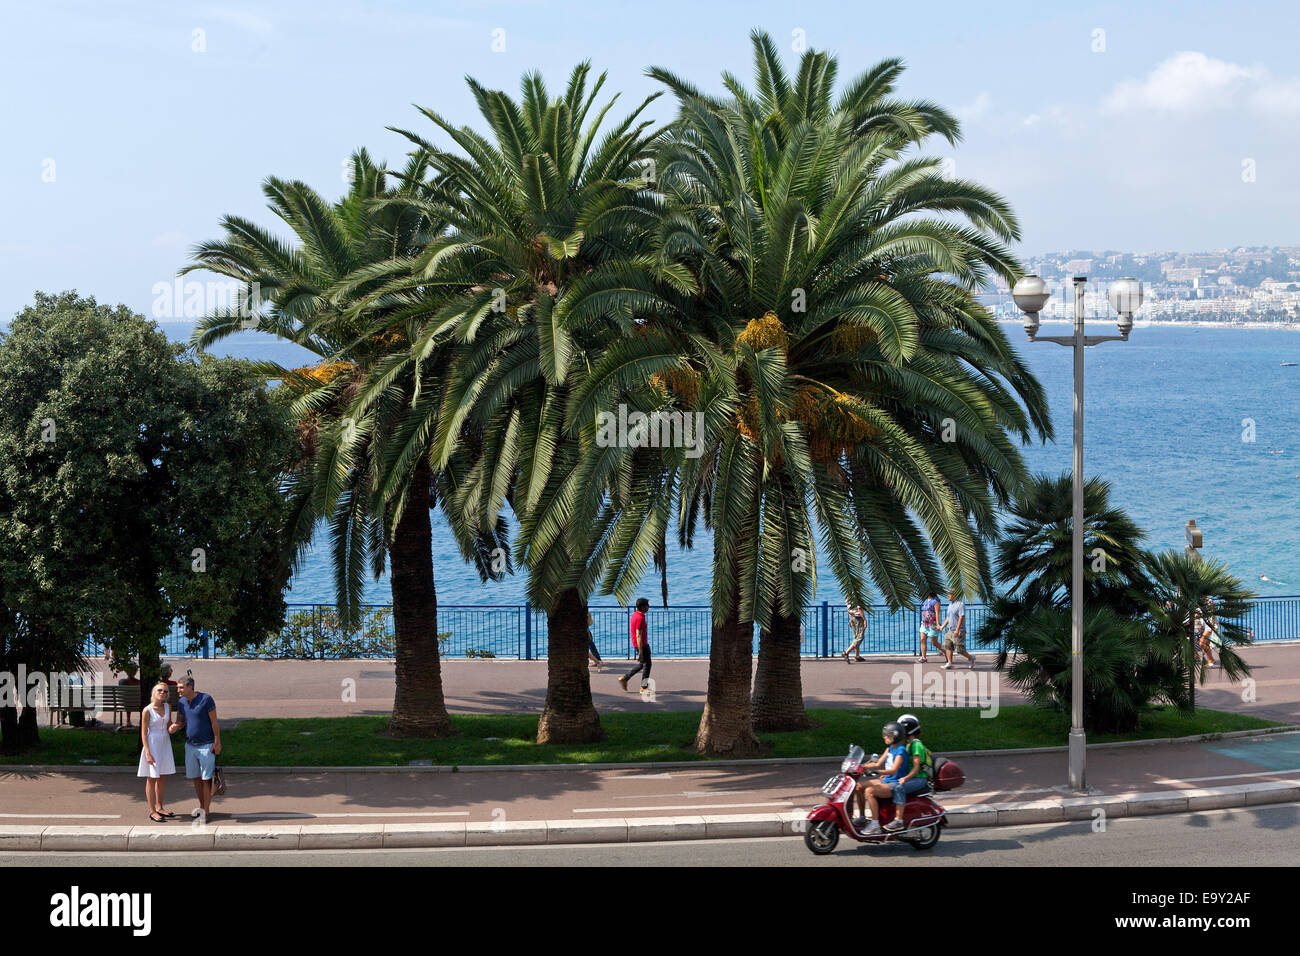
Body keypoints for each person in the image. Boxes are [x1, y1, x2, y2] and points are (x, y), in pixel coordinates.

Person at [170, 675, 221, 821]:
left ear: (190, 687)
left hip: (207, 745)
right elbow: (182, 721)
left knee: (206, 779)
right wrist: (176, 726)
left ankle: (206, 810)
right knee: (196, 779)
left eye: (180, 687)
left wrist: (217, 742)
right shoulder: (181, 702)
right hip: (190, 745)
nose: (178, 690)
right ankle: (202, 806)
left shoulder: (206, 699)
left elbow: (214, 722)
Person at [852, 722, 908, 834]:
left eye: (887, 735)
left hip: (895, 783)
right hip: (887, 779)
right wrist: (860, 766)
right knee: (858, 786)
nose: (885, 737)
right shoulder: (890, 749)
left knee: (870, 791)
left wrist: (876, 771)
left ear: (895, 736)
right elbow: (878, 763)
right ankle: (862, 817)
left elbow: (893, 770)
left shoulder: (900, 751)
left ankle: (875, 824)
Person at [137, 682, 177, 822]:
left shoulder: (167, 706)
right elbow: (143, 733)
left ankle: (160, 807)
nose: (163, 693)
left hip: (165, 743)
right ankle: (152, 810)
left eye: (165, 691)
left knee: (162, 777)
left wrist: (173, 727)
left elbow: (168, 724)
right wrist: (147, 752)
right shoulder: (147, 710)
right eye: (160, 690)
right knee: (152, 778)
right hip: (153, 743)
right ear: (154, 692)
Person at [887, 713, 933, 831]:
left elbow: (916, 767)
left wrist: (905, 779)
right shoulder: (908, 745)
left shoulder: (916, 744)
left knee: (899, 787)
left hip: (919, 779)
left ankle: (898, 820)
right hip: (913, 777)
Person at [619, 598, 652, 691]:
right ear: (642, 607)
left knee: (643, 664)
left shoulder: (635, 614)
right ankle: (643, 687)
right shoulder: (640, 618)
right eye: (647, 605)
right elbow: (638, 635)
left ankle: (625, 678)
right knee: (647, 665)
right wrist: (641, 651)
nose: (648, 607)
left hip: (639, 644)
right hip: (642, 645)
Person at [940, 589, 974, 669]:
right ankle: (949, 663)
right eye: (948, 594)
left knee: (959, 650)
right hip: (949, 630)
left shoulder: (960, 604)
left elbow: (961, 617)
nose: (948, 595)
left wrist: (957, 630)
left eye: (950, 594)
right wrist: (942, 626)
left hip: (958, 631)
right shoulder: (950, 605)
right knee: (947, 646)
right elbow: (948, 617)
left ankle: (970, 658)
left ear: (955, 595)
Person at [918, 592, 941, 663]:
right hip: (924, 624)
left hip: (932, 625)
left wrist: (937, 624)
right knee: (922, 639)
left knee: (934, 643)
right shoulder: (926, 600)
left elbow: (937, 613)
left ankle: (947, 652)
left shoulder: (935, 601)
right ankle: (923, 657)